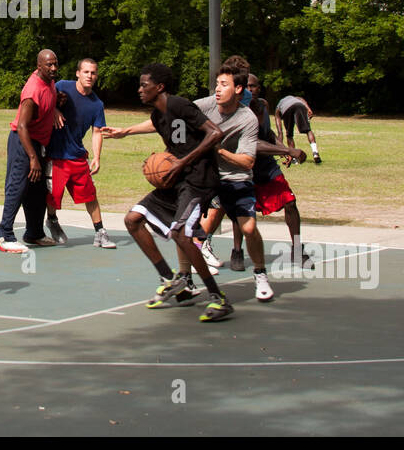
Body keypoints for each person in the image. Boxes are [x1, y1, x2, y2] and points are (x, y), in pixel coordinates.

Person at [100, 63, 233, 323]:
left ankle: (219, 299)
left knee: (183, 236)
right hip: (177, 180)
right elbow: (154, 126)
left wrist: (182, 161)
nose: (139, 90)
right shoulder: (158, 116)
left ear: (159, 87)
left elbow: (215, 133)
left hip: (199, 181)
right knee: (133, 219)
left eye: (144, 85)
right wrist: (125, 133)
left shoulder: (180, 105)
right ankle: (172, 279)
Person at [194, 66, 275, 301]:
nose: (218, 89)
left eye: (224, 84)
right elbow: (169, 115)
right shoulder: (204, 106)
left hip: (236, 178)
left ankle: (260, 273)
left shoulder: (247, 118)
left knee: (249, 228)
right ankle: (186, 276)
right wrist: (127, 131)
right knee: (189, 228)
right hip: (209, 177)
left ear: (238, 89)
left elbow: (248, 162)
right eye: (217, 84)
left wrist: (218, 150)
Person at [236, 70, 310, 270]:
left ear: (259, 89)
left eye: (254, 86)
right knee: (240, 212)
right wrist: (288, 149)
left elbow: (266, 134)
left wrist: (282, 149)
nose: (251, 89)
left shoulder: (264, 106)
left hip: (267, 167)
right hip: (246, 166)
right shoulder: (240, 111)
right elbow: (253, 143)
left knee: (290, 202)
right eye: (247, 86)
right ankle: (237, 252)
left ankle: (296, 250)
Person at [44, 58, 115, 248]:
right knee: (53, 196)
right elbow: (43, 99)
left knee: (90, 195)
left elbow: (97, 132)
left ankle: (100, 232)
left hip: (77, 156)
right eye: (86, 72)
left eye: (93, 73)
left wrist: (97, 157)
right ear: (78, 73)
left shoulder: (97, 104)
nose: (89, 76)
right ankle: (51, 220)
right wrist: (55, 109)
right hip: (55, 155)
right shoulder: (61, 86)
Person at [0, 49, 62, 253]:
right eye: (48, 65)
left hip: (38, 143)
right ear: (39, 66)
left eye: (55, 64)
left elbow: (48, 100)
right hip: (22, 142)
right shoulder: (32, 91)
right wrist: (32, 158)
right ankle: (4, 236)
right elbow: (23, 126)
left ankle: (34, 233)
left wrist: (58, 103)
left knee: (37, 190)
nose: (53, 68)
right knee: (17, 187)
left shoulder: (49, 82)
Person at [276, 93, 322, 164]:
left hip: (286, 110)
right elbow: (301, 99)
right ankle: (315, 152)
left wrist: (280, 149)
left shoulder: (278, 109)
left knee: (289, 135)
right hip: (299, 105)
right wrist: (308, 109)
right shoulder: (293, 98)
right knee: (308, 130)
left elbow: (280, 132)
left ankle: (293, 158)